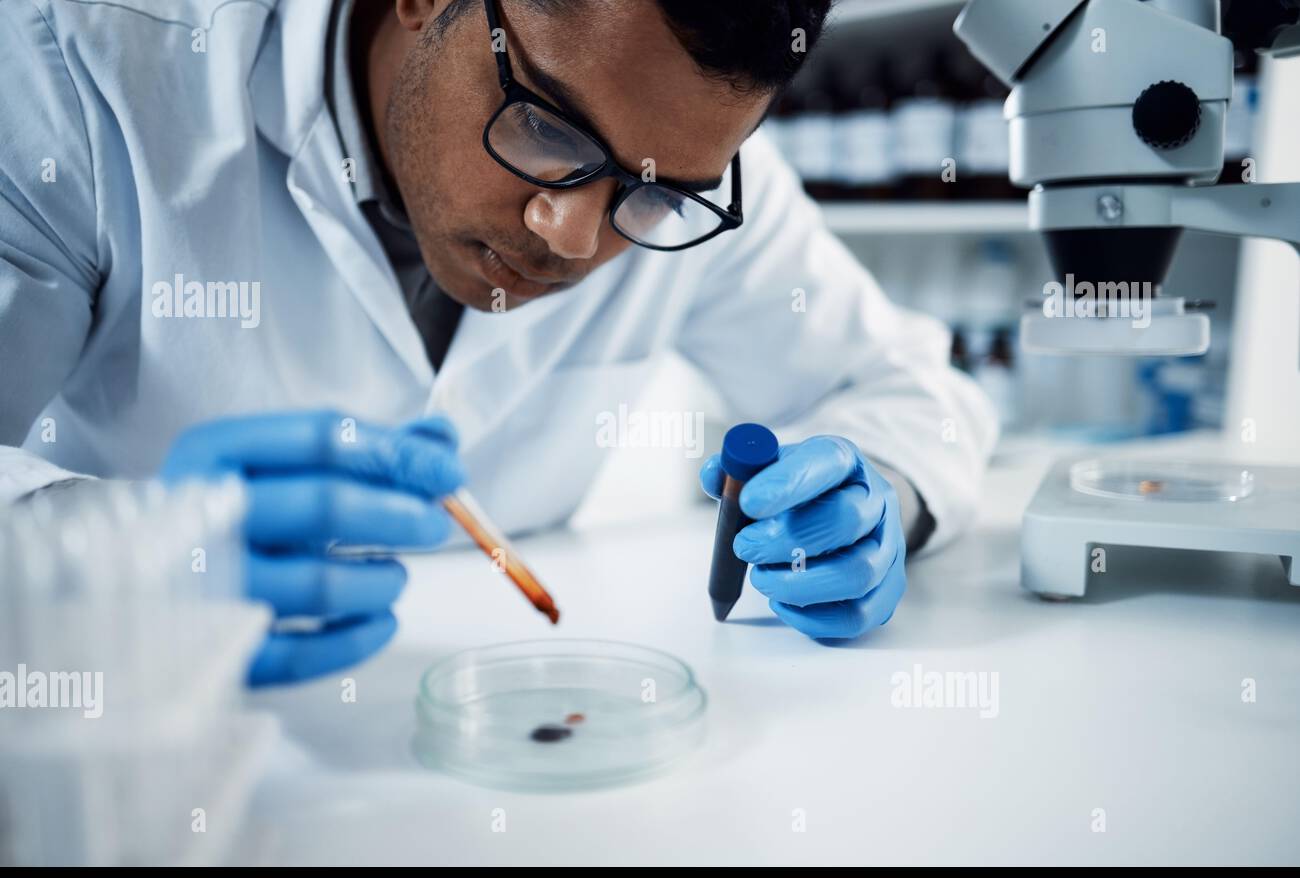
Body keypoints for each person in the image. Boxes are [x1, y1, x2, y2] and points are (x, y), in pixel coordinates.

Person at [0, 0, 997, 684]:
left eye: (650, 192)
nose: (573, 234)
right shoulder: (76, 76)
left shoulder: (691, 185)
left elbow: (911, 384)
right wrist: (122, 562)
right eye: (551, 131)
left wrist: (879, 499)